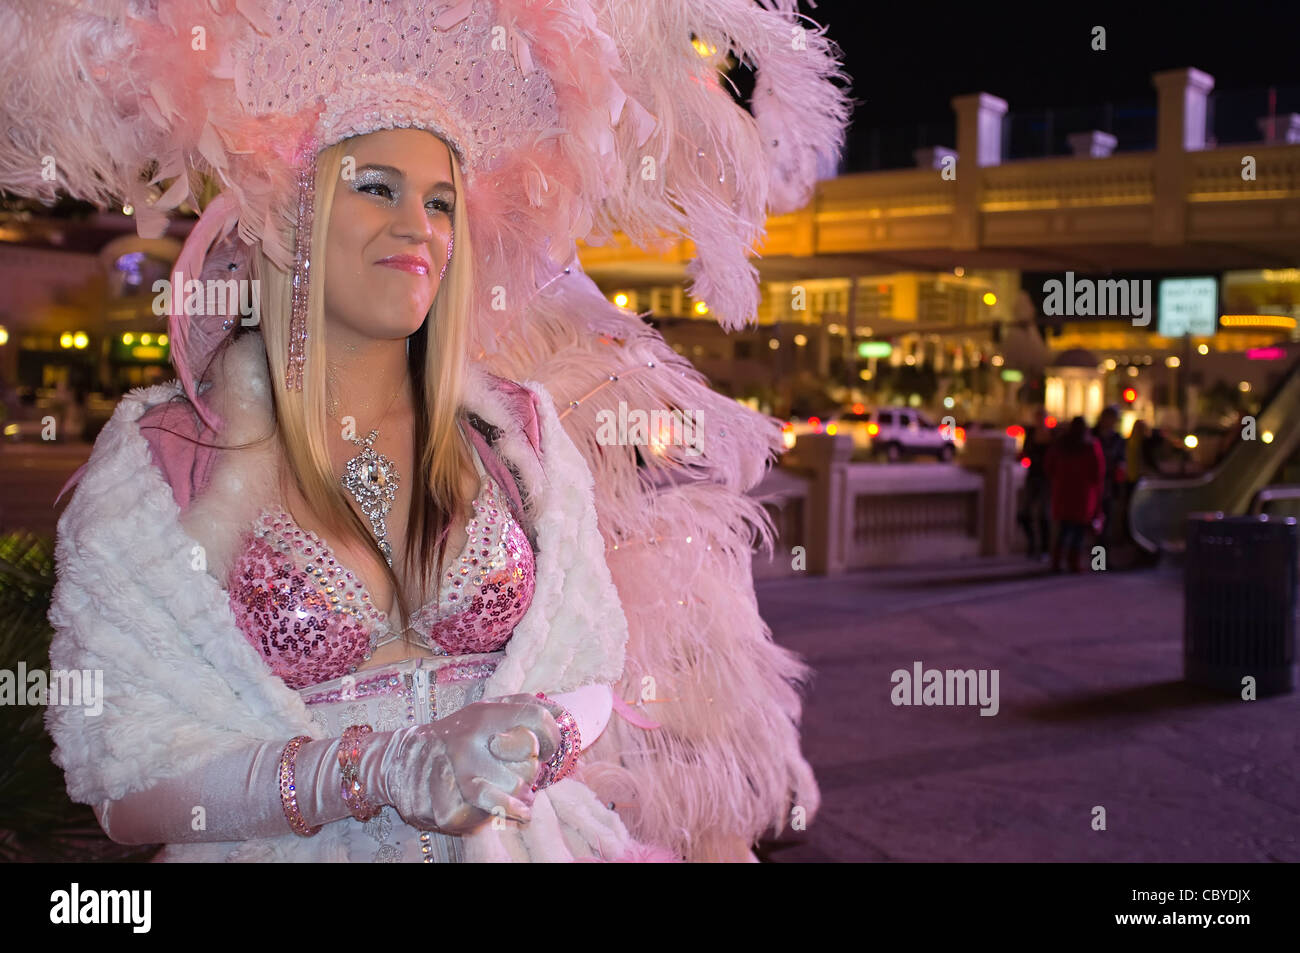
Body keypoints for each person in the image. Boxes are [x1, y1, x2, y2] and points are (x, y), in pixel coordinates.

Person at [7, 0, 850, 862]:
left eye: (442, 201)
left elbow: (589, 670)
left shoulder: (519, 437)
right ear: (291, 213)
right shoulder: (164, 462)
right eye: (377, 188)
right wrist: (381, 772)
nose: (420, 226)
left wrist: (533, 737)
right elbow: (129, 782)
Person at [1046, 416, 1105, 573]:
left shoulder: (1061, 445)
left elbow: (1049, 466)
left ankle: (1057, 562)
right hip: (1083, 495)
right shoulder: (1091, 446)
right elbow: (1098, 472)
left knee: (1063, 530)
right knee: (1078, 532)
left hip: (1063, 493)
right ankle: (1076, 563)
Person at [1017, 407, 1053, 559]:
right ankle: (1032, 544)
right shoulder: (1030, 434)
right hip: (1032, 477)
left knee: (1044, 514)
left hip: (1046, 478)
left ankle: (1045, 548)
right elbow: (1025, 453)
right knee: (1024, 513)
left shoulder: (1052, 436)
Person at [1092, 405, 1127, 546]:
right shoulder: (1093, 436)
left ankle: (1100, 561)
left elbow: (1121, 459)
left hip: (1109, 485)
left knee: (1105, 523)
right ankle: (1095, 559)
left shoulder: (1117, 439)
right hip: (1093, 484)